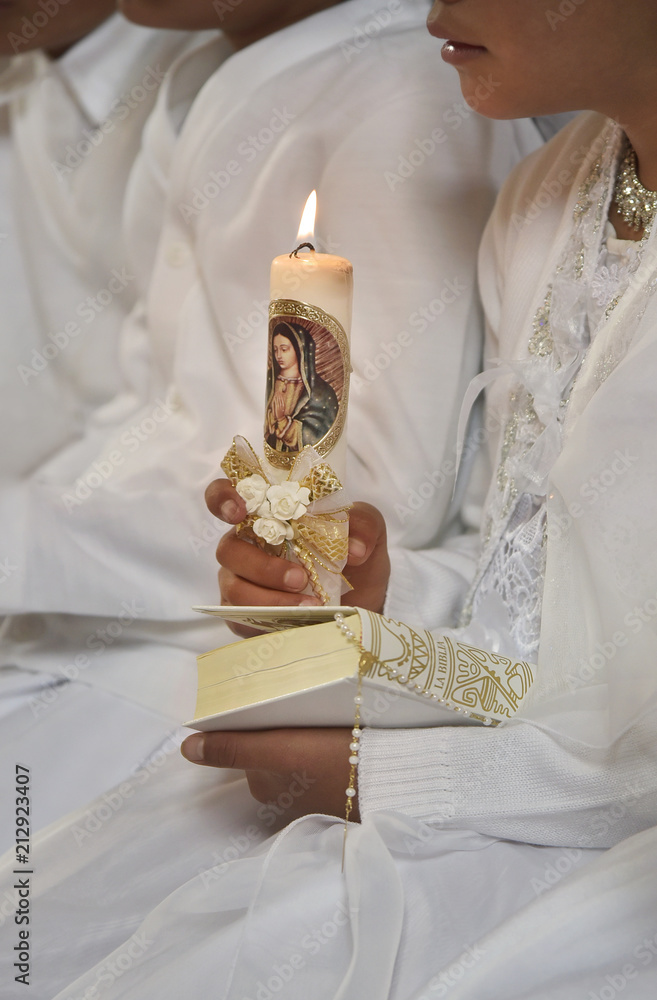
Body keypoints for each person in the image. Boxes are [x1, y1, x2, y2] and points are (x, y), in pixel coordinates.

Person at [4, 0, 656, 997]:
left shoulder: (407, 108)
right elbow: (508, 585)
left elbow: (619, 742)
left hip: (590, 835)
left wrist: (373, 777)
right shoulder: (551, 196)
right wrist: (371, 593)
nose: (433, 6)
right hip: (492, 757)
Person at [0, 0, 544, 844]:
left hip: (230, 636)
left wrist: (34, 546)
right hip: (145, 599)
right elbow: (149, 402)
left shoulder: (400, 96)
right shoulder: (199, 74)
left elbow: (373, 509)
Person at [0, 3, 212, 843]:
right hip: (74, 581)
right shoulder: (34, 79)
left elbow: (328, 479)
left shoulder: (209, 84)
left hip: (173, 609)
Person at [265, 322, 340, 454]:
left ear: (299, 350)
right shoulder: (272, 379)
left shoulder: (319, 391)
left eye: (284, 349)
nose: (279, 356)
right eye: (275, 349)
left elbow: (316, 434)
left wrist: (283, 421)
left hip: (311, 470)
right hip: (275, 463)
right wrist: (272, 419)